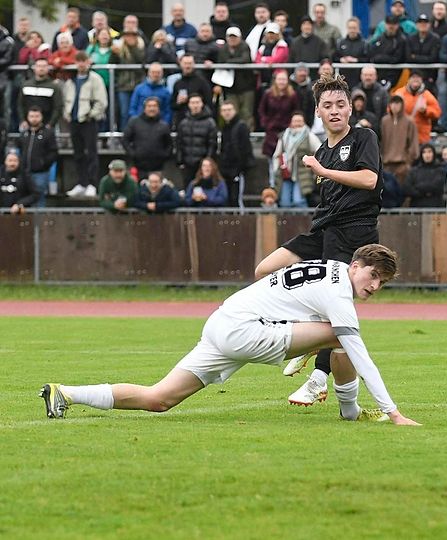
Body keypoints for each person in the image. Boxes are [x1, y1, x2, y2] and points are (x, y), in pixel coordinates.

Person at [40, 244, 420, 426]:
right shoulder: (339, 293)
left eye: (382, 282)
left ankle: (65, 392)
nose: (375, 286)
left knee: (159, 399)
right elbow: (360, 355)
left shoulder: (331, 268)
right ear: (355, 266)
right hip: (244, 330)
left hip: (222, 321)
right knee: (342, 337)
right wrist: (394, 412)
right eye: (373, 276)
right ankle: (351, 413)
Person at [253, 74, 385, 408]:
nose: (335, 110)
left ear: (350, 108)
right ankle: (307, 334)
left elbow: (369, 179)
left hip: (355, 232)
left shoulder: (363, 137)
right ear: (318, 112)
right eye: (328, 105)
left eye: (340, 104)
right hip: (323, 230)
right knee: (264, 271)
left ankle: (317, 380)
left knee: (334, 310)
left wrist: (323, 172)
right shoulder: (323, 151)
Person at [62, 52, 106, 200]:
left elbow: (101, 101)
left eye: (84, 61)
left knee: (91, 153)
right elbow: (66, 100)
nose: (81, 64)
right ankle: (81, 182)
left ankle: (92, 184)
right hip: (74, 121)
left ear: (88, 62)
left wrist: (91, 114)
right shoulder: (70, 81)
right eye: (78, 61)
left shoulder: (95, 79)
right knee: (78, 153)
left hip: (88, 121)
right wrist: (67, 114)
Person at [274, 111, 323, 208]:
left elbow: (320, 151)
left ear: (304, 122)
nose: (297, 123)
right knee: (284, 202)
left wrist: (314, 167)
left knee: (299, 201)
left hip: (303, 174)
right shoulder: (283, 136)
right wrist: (276, 170)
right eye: (295, 121)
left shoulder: (309, 136)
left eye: (300, 121)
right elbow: (277, 155)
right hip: (285, 173)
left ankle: (303, 218)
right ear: (291, 122)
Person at [216, 27, 256, 130]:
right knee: (231, 113)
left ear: (240, 37)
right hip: (230, 88)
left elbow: (245, 59)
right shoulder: (223, 49)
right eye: (230, 37)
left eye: (235, 37)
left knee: (246, 113)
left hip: (246, 86)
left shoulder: (245, 46)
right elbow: (220, 65)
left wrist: (228, 62)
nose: (232, 39)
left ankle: (247, 134)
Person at [123, 97, 172, 178]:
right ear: (144, 108)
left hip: (158, 167)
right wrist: (133, 154)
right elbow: (125, 140)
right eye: (149, 106)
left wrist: (164, 156)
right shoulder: (134, 122)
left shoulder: (164, 125)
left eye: (154, 106)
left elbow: (169, 144)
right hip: (138, 166)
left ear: (158, 109)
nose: (152, 109)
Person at [18, 107, 57, 207]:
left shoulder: (48, 133)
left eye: (37, 116)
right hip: (25, 173)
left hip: (40, 173)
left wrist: (43, 163)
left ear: (41, 117)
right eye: (31, 116)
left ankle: (39, 217)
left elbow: (53, 152)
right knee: (24, 199)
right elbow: (20, 150)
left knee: (39, 198)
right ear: (27, 117)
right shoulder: (24, 134)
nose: (34, 119)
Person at [258, 70, 300, 166]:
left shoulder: (292, 95)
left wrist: (292, 124)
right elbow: (261, 110)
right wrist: (265, 123)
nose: (281, 82)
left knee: (285, 159)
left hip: (286, 130)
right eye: (279, 79)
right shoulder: (268, 94)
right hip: (271, 130)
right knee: (271, 157)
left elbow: (296, 111)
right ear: (275, 80)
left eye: (284, 79)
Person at [176, 94, 218, 187]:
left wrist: (208, 161)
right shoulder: (183, 123)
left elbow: (212, 144)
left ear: (202, 104)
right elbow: (179, 143)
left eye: (197, 102)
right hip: (187, 164)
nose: (195, 105)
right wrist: (180, 160)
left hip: (203, 165)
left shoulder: (210, 123)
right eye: (192, 103)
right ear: (189, 105)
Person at [218, 101, 254, 208]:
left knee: (237, 199)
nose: (227, 113)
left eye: (229, 110)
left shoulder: (241, 126)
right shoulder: (224, 127)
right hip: (226, 169)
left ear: (235, 111)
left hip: (238, 170)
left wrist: (239, 169)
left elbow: (245, 149)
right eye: (224, 110)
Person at [393, 71, 441, 145]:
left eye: (418, 78)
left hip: (421, 138)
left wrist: (426, 111)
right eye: (413, 77)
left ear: (422, 80)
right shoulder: (399, 93)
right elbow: (389, 110)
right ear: (408, 80)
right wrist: (395, 110)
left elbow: (437, 112)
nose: (415, 80)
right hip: (402, 137)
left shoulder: (427, 95)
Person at [114, 29, 146, 130]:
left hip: (138, 85)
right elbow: (113, 64)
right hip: (123, 86)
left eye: (133, 35)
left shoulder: (141, 49)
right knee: (124, 113)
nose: (130, 38)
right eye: (127, 35)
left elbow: (140, 62)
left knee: (138, 112)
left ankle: (137, 133)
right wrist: (114, 53)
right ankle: (123, 134)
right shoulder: (118, 50)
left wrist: (133, 47)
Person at [172, 55, 213, 129]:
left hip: (200, 122)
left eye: (190, 63)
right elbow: (172, 105)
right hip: (182, 122)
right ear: (181, 64)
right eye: (185, 63)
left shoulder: (202, 82)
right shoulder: (177, 83)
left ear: (194, 64)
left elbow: (209, 102)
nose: (187, 66)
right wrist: (178, 102)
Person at [367, 15, 407, 89]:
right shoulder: (380, 38)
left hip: (392, 75)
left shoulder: (401, 40)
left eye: (393, 24)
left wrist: (380, 58)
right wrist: (379, 58)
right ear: (385, 24)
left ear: (397, 25)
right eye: (389, 23)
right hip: (377, 74)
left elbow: (396, 59)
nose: (391, 26)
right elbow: (371, 54)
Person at [406, 14, 441, 95]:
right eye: (420, 23)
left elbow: (433, 58)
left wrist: (415, 57)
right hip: (413, 75)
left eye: (425, 23)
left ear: (429, 25)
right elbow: (408, 58)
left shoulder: (435, 38)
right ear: (416, 25)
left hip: (429, 76)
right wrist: (425, 58)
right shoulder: (410, 38)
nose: (423, 25)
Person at [405, 143, 447, 208]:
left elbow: (438, 186)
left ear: (433, 154)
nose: (427, 155)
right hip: (417, 207)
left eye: (429, 152)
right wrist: (424, 193)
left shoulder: (440, 170)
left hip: (436, 206)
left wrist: (419, 187)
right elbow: (407, 188)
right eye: (424, 152)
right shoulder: (414, 171)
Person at [334, 17, 368, 89]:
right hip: (343, 78)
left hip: (358, 79)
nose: (352, 30)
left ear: (358, 29)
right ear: (347, 28)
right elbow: (334, 57)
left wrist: (356, 60)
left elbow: (368, 59)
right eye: (350, 28)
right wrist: (341, 60)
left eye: (354, 28)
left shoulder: (364, 44)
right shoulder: (340, 43)